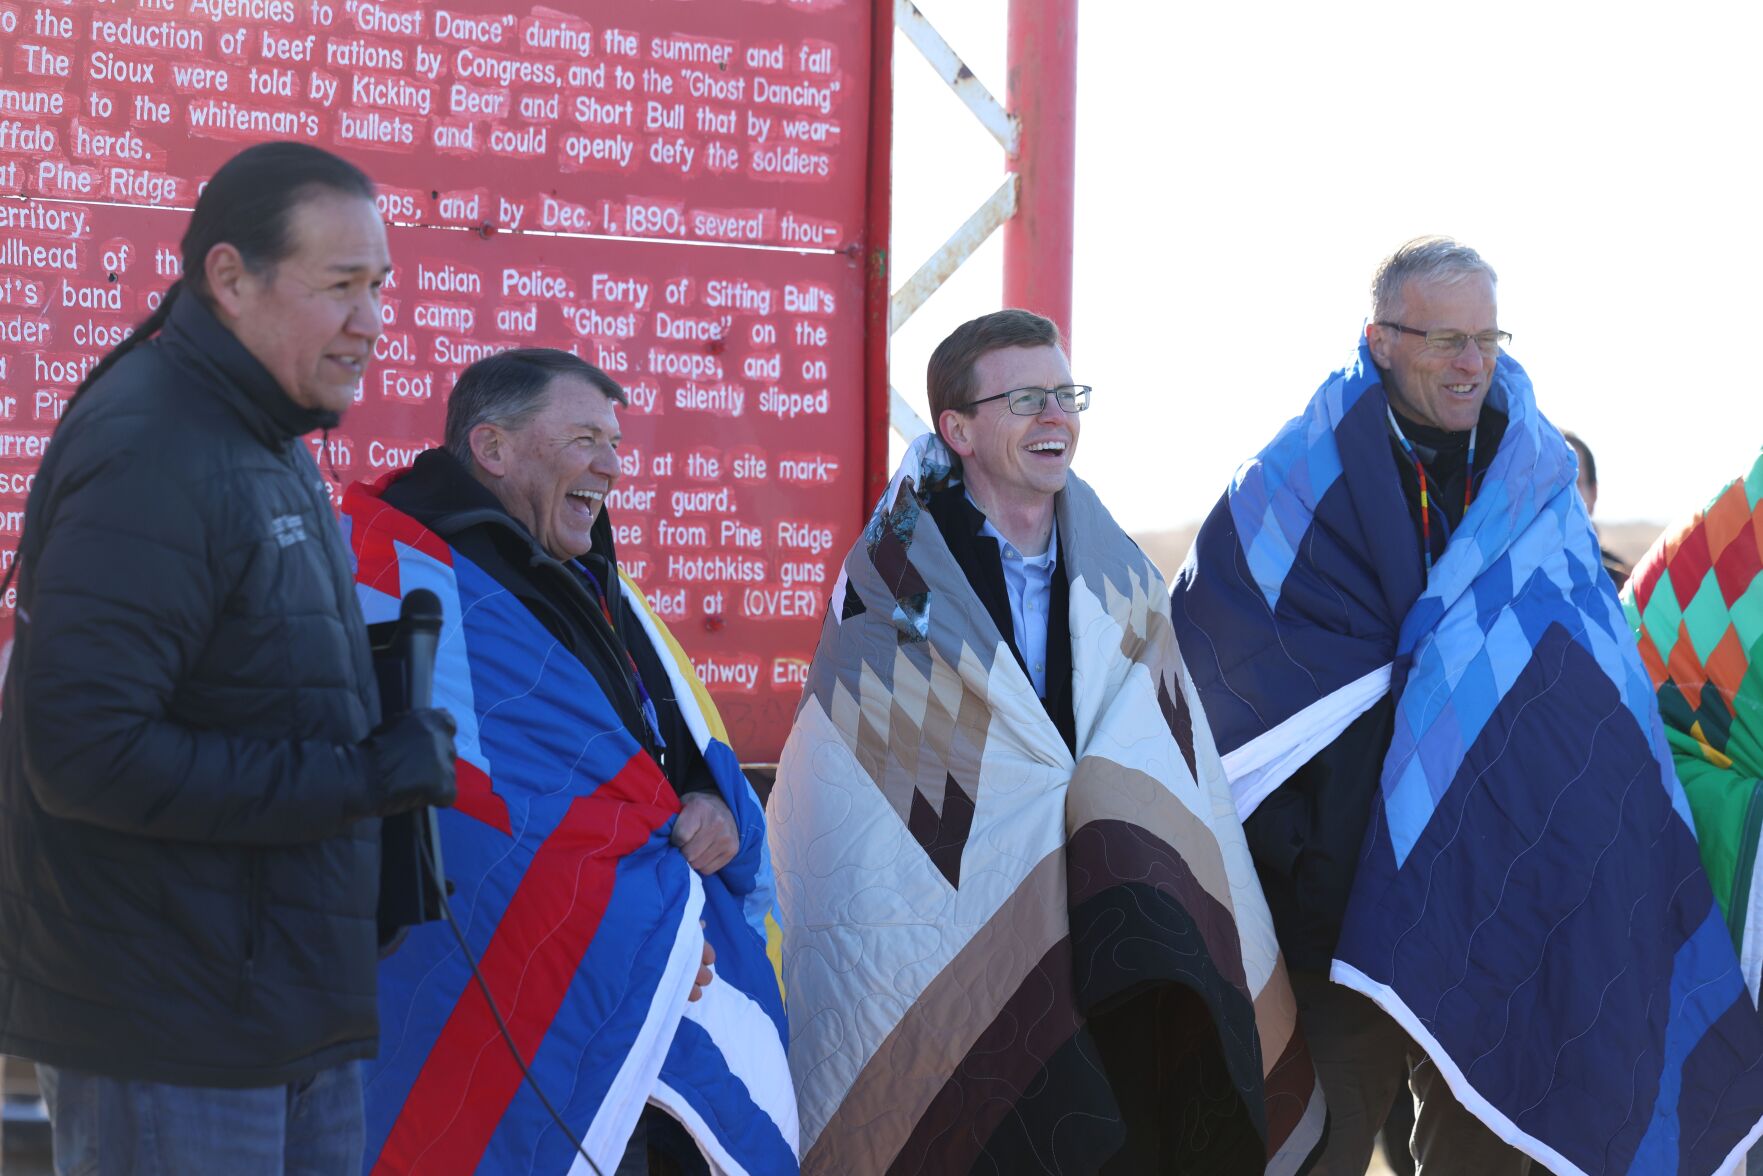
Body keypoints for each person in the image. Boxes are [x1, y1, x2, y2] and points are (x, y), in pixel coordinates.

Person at [1171, 237, 1763, 1175]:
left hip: (1501, 901)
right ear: (1378, 340)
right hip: (1338, 911)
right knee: (1315, 1148)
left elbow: (1593, 692)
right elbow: (1220, 680)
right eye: (1444, 339)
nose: (1469, 362)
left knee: (1486, 1155)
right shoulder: (1288, 490)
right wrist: (1304, 861)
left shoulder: (1536, 490)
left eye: (1486, 338)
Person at [769, 310, 1325, 1174]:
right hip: (958, 942)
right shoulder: (892, 590)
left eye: (1066, 394)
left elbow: (1162, 752)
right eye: (1026, 398)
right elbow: (856, 797)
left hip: (1119, 937)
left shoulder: (1122, 577)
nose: (1056, 415)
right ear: (957, 430)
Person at [0, 142, 459, 1173]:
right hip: (173, 1027)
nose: (370, 321)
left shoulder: (261, 431)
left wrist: (380, 719)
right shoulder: (151, 445)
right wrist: (357, 779)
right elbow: (86, 755)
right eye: (340, 286)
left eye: (378, 287)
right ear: (229, 277)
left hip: (280, 1005)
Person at [344, 349, 795, 1175]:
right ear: (492, 447)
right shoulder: (391, 574)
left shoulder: (588, 573)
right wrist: (642, 926)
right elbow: (447, 815)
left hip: (637, 995)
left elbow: (667, 740)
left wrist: (709, 800)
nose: (611, 466)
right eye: (586, 439)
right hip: (492, 997)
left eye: (614, 444)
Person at [1562, 429, 1630, 588]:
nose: (1561, 496)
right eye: (1550, 485)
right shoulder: (1513, 581)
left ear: (1593, 493)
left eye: (1573, 482)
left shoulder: (1624, 586)